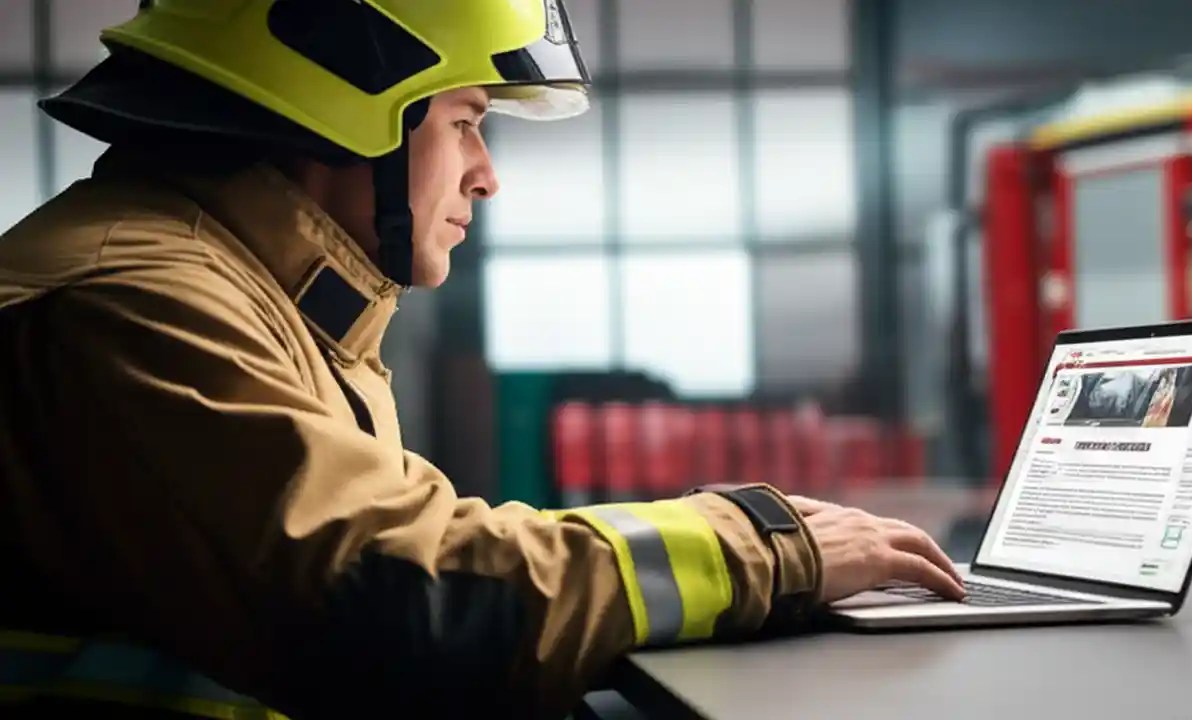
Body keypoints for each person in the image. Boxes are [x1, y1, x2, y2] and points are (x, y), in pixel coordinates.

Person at [0, 2, 965, 718]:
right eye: (465, 121)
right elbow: (400, 596)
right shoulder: (135, 305)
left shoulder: (249, 295)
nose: (485, 175)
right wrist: (756, 543)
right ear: (339, 102)